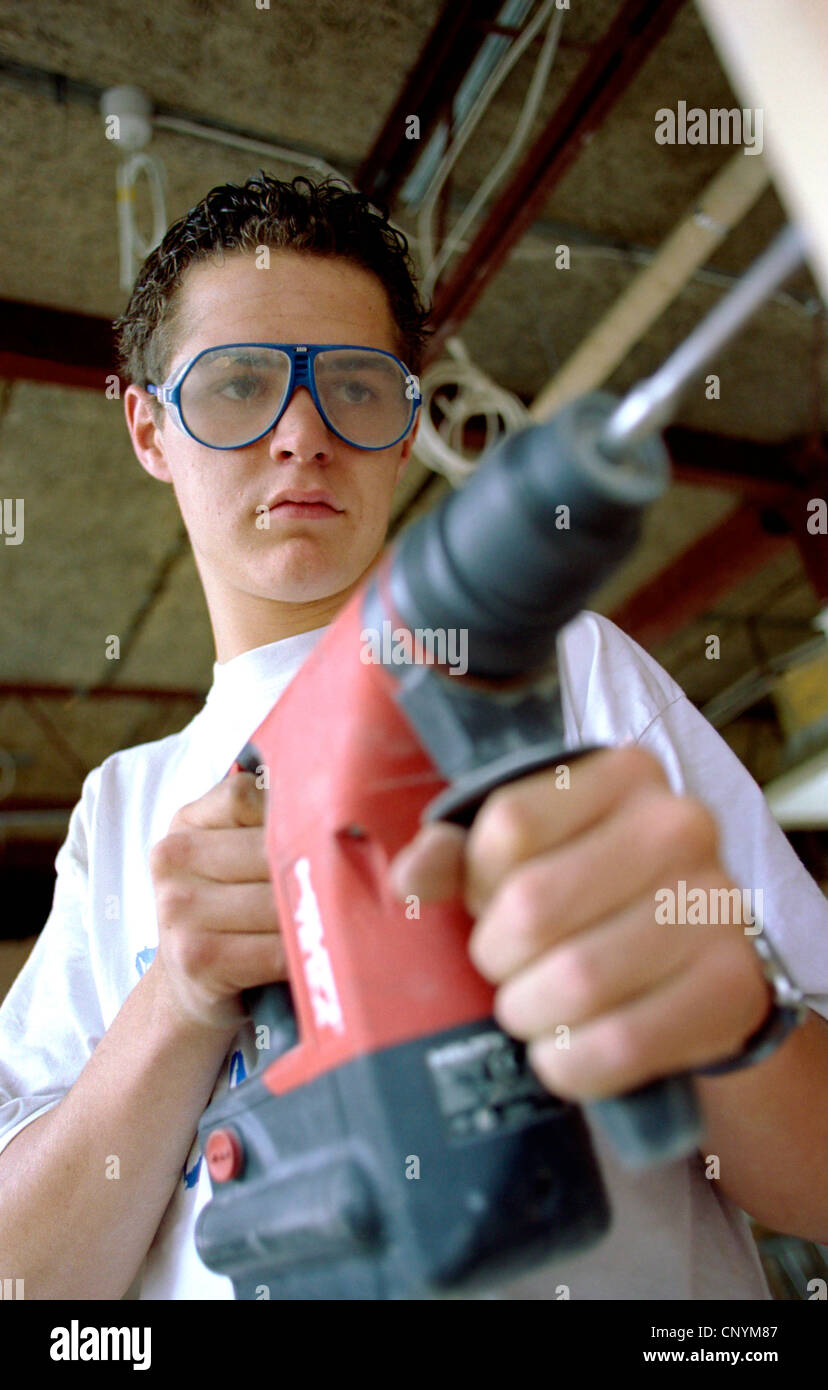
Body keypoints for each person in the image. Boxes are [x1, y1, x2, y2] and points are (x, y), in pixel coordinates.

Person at [0, 174, 826, 1302]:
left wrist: (722, 1014)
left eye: (354, 388)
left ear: (405, 431)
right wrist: (180, 999)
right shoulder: (121, 810)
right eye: (238, 384)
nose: (302, 434)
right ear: (150, 427)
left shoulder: (549, 666)